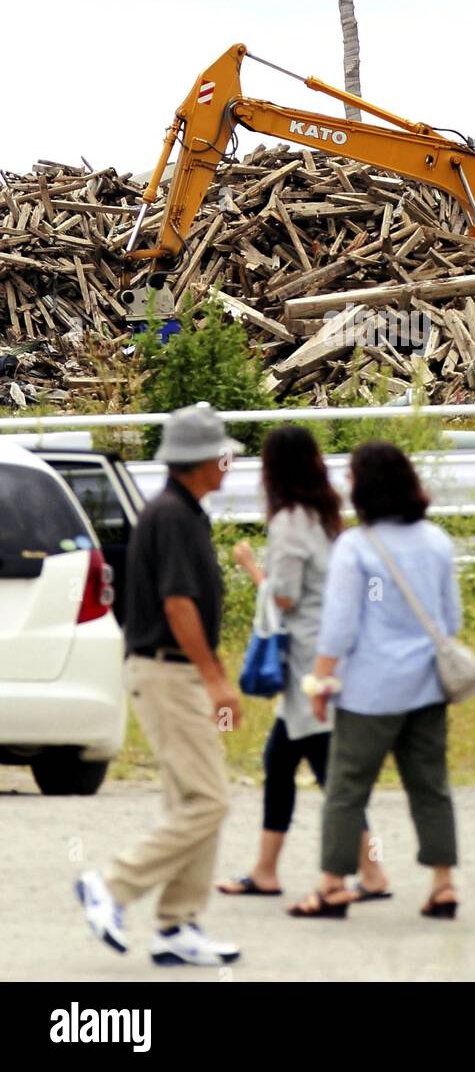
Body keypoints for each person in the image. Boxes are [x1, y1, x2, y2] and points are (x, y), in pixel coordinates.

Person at [75, 403, 244, 966]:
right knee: (210, 800)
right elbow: (178, 604)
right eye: (221, 454)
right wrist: (217, 679)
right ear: (198, 460)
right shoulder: (172, 515)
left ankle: (178, 925)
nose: (228, 463)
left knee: (191, 801)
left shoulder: (184, 511)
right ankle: (114, 885)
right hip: (167, 670)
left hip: (173, 671)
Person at [288, 441, 460, 919]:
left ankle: (332, 884)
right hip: (427, 687)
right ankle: (443, 884)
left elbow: (339, 627)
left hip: (369, 691)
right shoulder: (437, 541)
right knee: (430, 786)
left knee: (347, 788)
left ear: (365, 488)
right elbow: (451, 619)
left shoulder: (356, 547)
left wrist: (320, 683)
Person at [216, 425, 387, 900]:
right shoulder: (326, 517)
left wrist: (251, 567)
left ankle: (370, 872)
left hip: (305, 664)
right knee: (286, 762)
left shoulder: (289, 520)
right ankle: (268, 869)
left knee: (325, 770)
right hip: (327, 656)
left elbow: (286, 596)